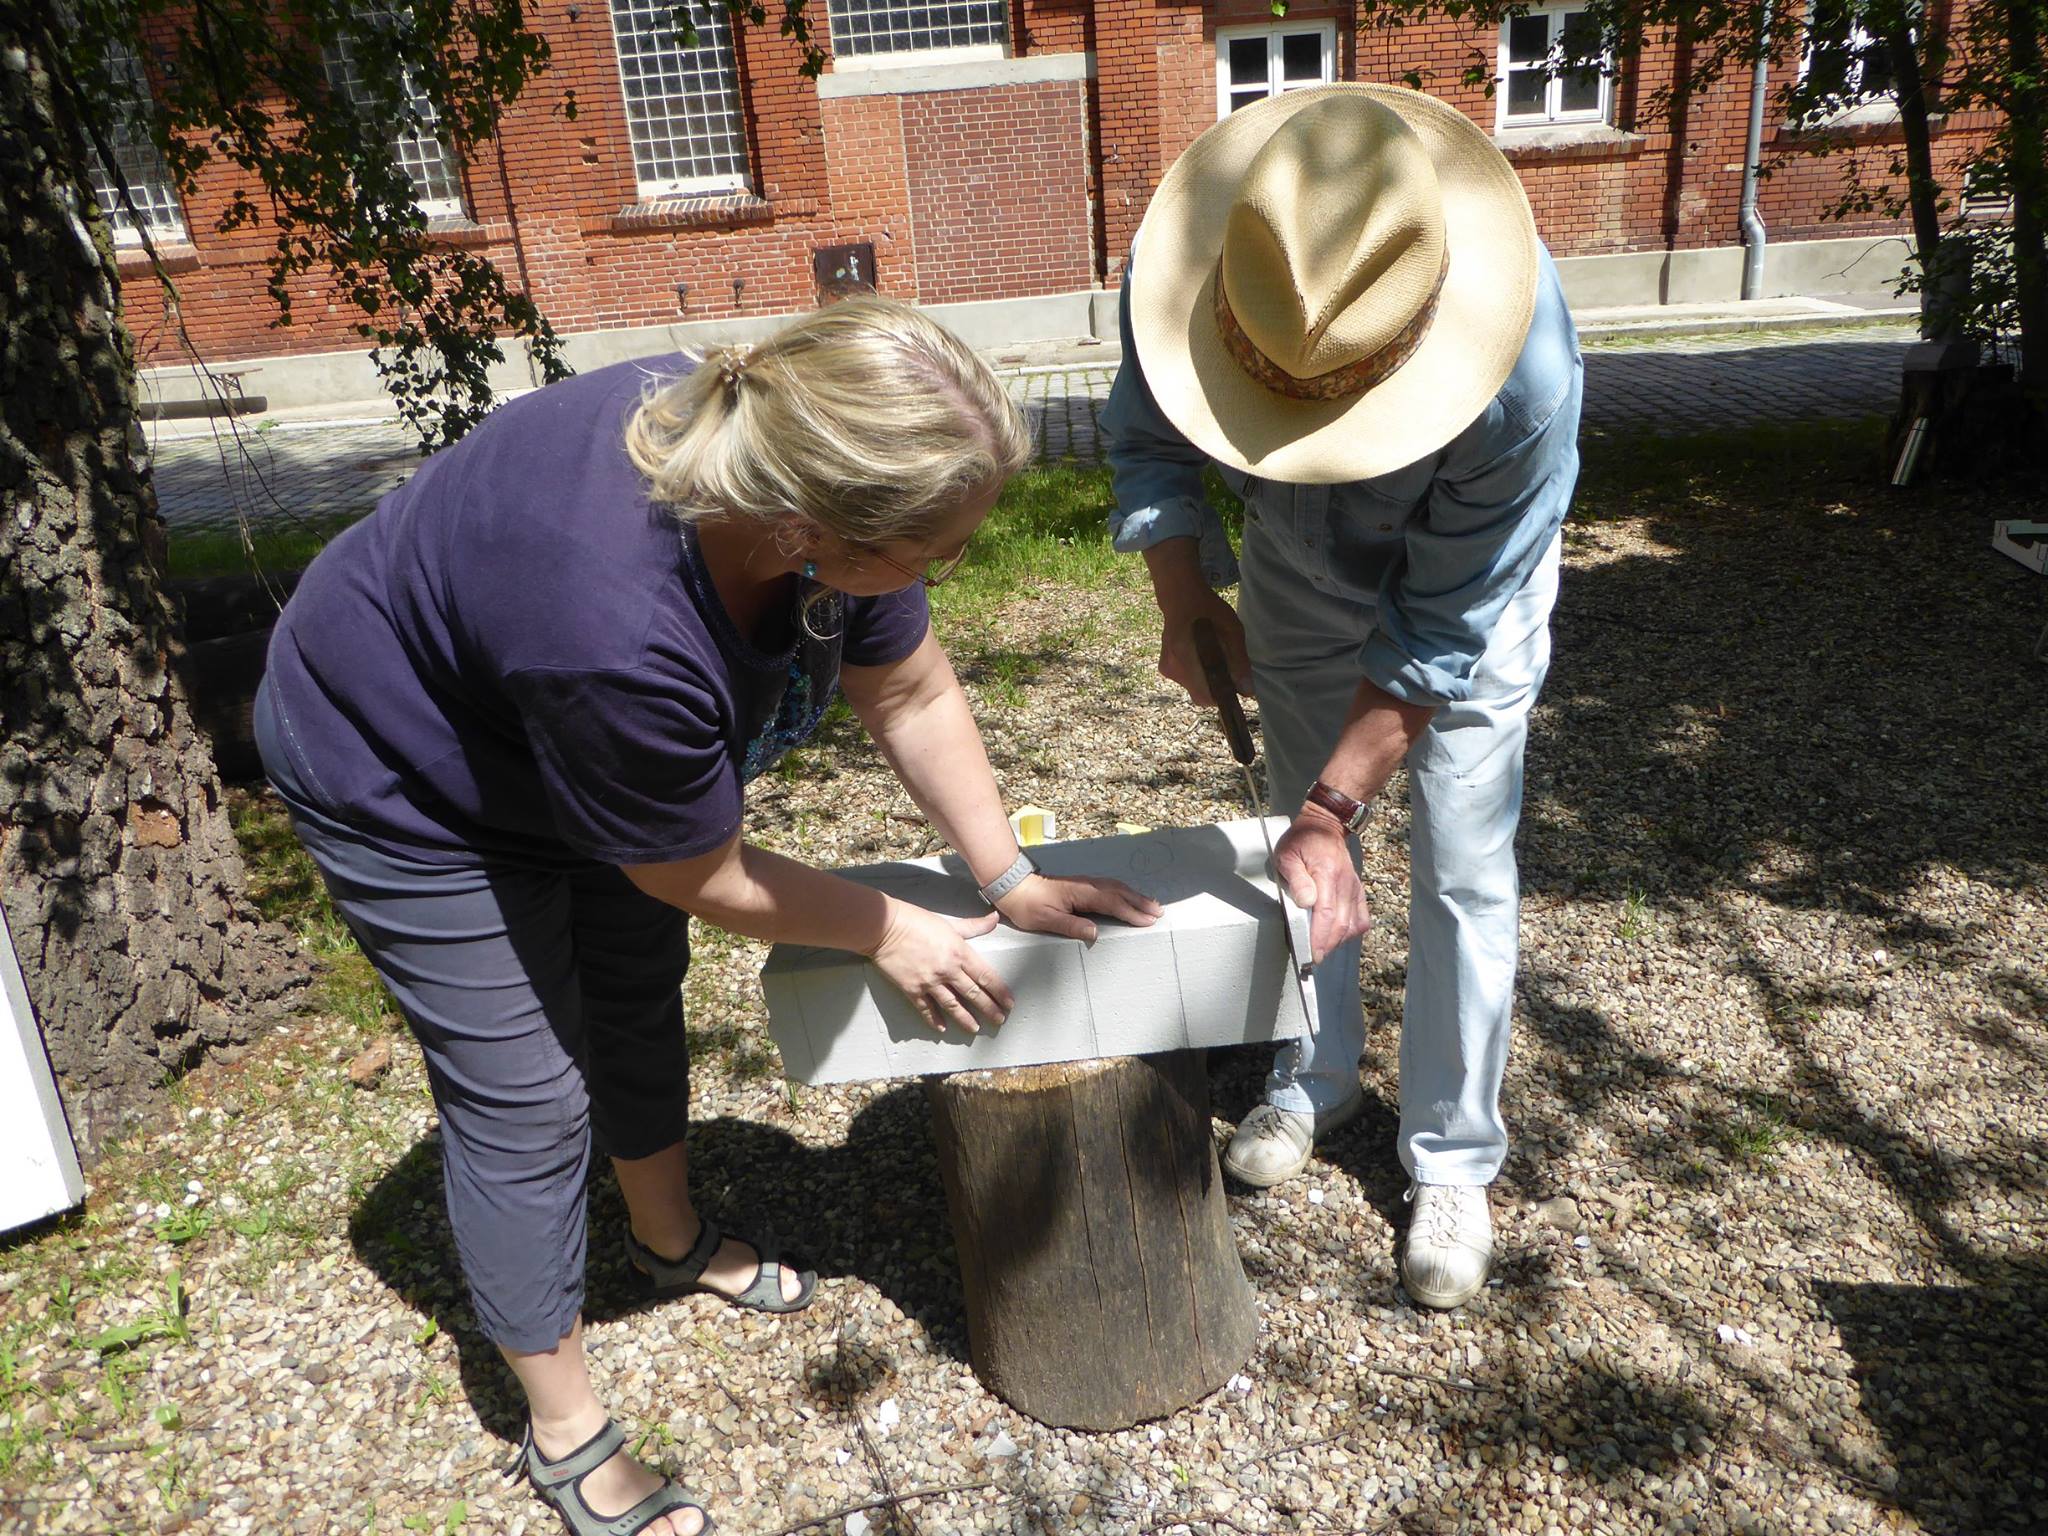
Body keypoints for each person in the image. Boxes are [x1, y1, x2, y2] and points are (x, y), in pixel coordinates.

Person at [255, 297, 1161, 1536]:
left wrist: (1004, 876)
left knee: (633, 981)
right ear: (806, 530)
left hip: (560, 732)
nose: (946, 571)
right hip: (401, 766)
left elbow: (906, 688)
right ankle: (563, 1430)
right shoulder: (612, 621)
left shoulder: (806, 446)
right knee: (525, 1095)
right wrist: (884, 924)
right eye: (931, 554)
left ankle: (665, 1236)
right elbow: (694, 869)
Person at [1103, 83, 1583, 1312]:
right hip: (1294, 576)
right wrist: (1182, 598)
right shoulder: (1208, 253)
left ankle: (1452, 1156)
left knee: (1461, 864)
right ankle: (1311, 1076)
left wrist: (1336, 800)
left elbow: (1437, 631)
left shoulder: (1523, 379)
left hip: (1464, 614)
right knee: (1292, 846)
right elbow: (1150, 437)